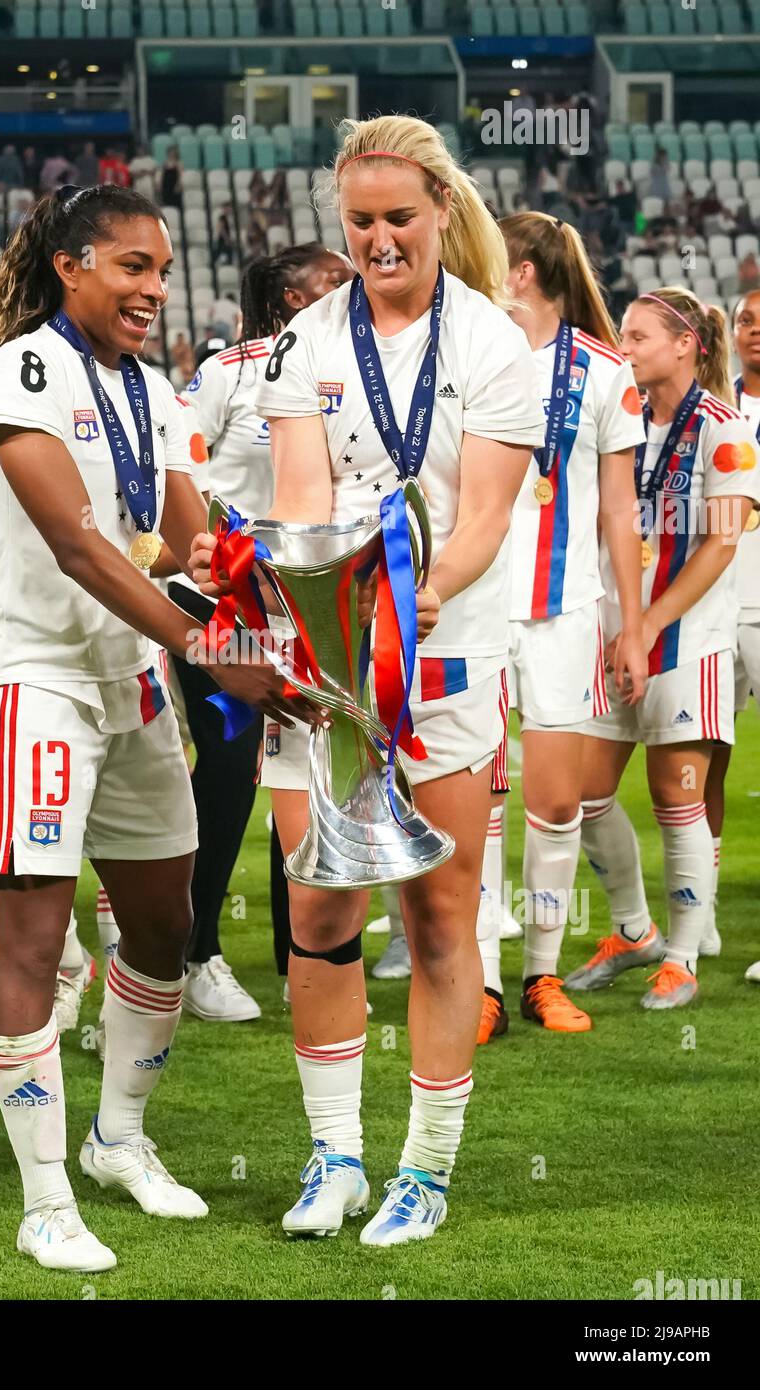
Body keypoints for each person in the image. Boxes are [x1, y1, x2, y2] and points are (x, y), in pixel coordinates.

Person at [191, 114, 545, 1244]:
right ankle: (333, 1154)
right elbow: (297, 500)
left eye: (398, 217)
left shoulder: (491, 343)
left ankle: (425, 1169)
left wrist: (417, 591)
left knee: (439, 920)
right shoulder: (307, 344)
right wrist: (278, 587)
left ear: (442, 209)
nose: (379, 239)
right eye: (359, 222)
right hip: (327, 663)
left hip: (440, 659)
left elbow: (484, 515)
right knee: (318, 908)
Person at [0, 183, 305, 1272]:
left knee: (162, 924)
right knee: (31, 932)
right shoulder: (22, 372)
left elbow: (184, 530)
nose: (153, 288)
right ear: (71, 266)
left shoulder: (150, 386)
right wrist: (210, 649)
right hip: (33, 675)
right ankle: (45, 1198)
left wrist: (256, 599)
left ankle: (117, 1139)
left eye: (160, 270)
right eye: (130, 267)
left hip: (129, 678)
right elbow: (77, 544)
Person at [473, 213, 648, 1041]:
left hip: (563, 609)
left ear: (525, 273)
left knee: (553, 806)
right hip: (468, 606)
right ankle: (477, 985)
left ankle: (540, 973)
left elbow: (620, 509)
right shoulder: (464, 352)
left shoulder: (608, 373)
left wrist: (633, 625)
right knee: (469, 804)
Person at [567, 288, 759, 1009]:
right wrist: (622, 625)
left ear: (686, 345)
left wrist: (648, 625)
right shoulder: (617, 424)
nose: (625, 346)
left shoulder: (725, 428)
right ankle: (632, 930)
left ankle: (682, 956)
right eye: (622, 335)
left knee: (676, 799)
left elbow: (721, 544)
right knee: (583, 795)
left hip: (688, 641)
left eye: (639, 335)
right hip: (614, 636)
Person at [177, 243, 354, 1021]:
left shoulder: (356, 373)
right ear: (291, 297)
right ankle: (194, 952)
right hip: (223, 602)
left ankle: (299, 956)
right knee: (226, 769)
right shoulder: (229, 372)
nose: (352, 292)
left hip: (308, 606)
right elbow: (178, 472)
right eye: (335, 284)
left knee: (308, 774)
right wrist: (220, 561)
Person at [703, 290, 760, 979]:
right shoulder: (716, 408)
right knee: (704, 762)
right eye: (748, 321)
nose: (757, 332)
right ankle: (701, 914)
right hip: (714, 607)